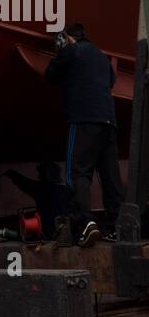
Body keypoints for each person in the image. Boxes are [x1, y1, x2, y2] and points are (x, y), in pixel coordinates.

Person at [45, 22, 124, 247]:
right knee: (110, 176)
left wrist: (60, 51)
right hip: (109, 122)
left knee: (77, 172)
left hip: (83, 120)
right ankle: (119, 226)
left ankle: (84, 223)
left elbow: (51, 75)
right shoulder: (101, 56)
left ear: (67, 38)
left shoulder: (71, 51)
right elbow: (111, 81)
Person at [3, 161, 69, 239]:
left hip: (49, 232)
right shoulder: (65, 190)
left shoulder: (44, 189)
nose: (39, 176)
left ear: (48, 174)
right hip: (63, 231)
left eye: (41, 174)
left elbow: (25, 183)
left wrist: (12, 174)